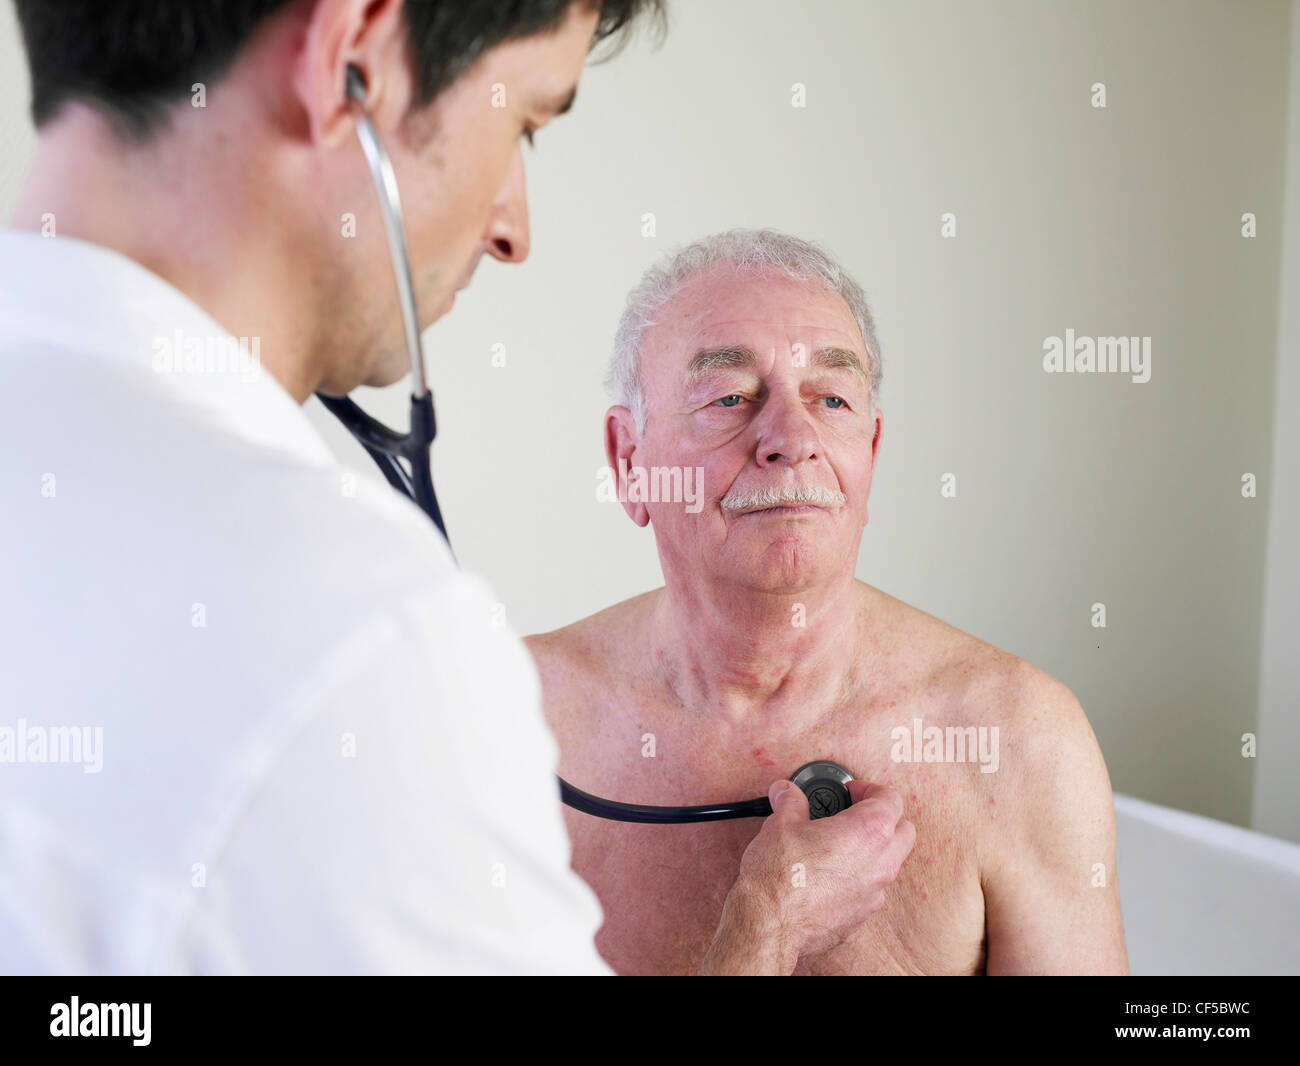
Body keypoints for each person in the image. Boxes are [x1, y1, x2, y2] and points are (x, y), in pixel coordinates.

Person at [0, 2, 913, 975]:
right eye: (524, 119)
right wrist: (765, 927)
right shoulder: (371, 647)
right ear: (354, 61)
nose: (512, 227)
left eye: (830, 395)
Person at [527, 228, 1129, 974]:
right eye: (730, 396)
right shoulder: (510, 721)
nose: (791, 436)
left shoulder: (1020, 738)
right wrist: (769, 925)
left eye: (832, 398)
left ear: (870, 454)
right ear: (629, 462)